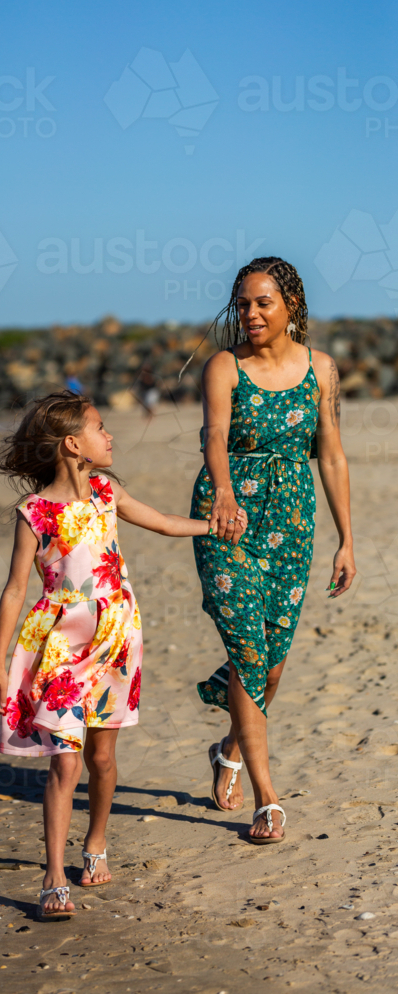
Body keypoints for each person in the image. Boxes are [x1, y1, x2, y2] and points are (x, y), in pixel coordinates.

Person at [0, 391, 247, 919]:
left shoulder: (107, 491)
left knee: (103, 758)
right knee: (66, 763)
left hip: (115, 641)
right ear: (73, 444)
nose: (110, 437)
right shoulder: (35, 513)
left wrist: (215, 525)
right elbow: (14, 590)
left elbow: (166, 522)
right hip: (59, 644)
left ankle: (96, 841)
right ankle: (54, 874)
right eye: (100, 428)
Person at [188, 256, 356, 843]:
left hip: (292, 517)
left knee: (271, 658)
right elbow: (213, 436)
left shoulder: (321, 370)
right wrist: (226, 498)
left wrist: (346, 540)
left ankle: (228, 749)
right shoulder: (224, 366)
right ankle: (265, 797)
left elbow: (330, 454)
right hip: (227, 516)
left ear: (291, 306)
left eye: (262, 302)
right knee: (249, 649)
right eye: (243, 303)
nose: (251, 313)